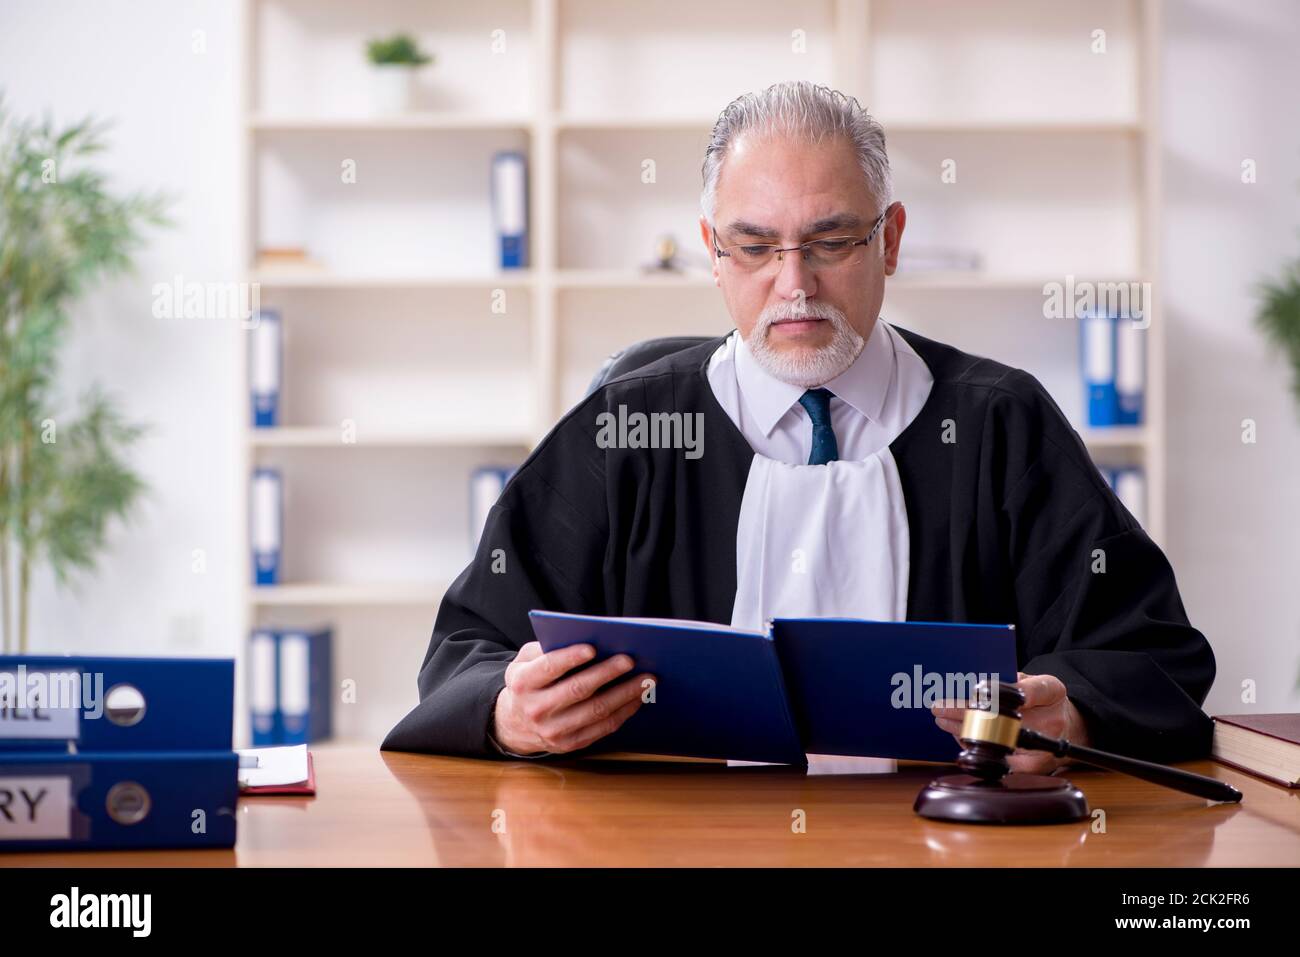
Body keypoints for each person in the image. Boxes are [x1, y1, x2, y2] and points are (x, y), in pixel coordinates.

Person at [383, 80, 1214, 770]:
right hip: (669, 847)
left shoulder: (1000, 425)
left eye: (830, 241)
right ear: (711, 250)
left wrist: (1072, 713)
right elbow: (467, 649)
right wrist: (509, 711)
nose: (795, 285)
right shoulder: (627, 429)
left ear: (889, 240)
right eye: (754, 247)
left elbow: (1151, 656)